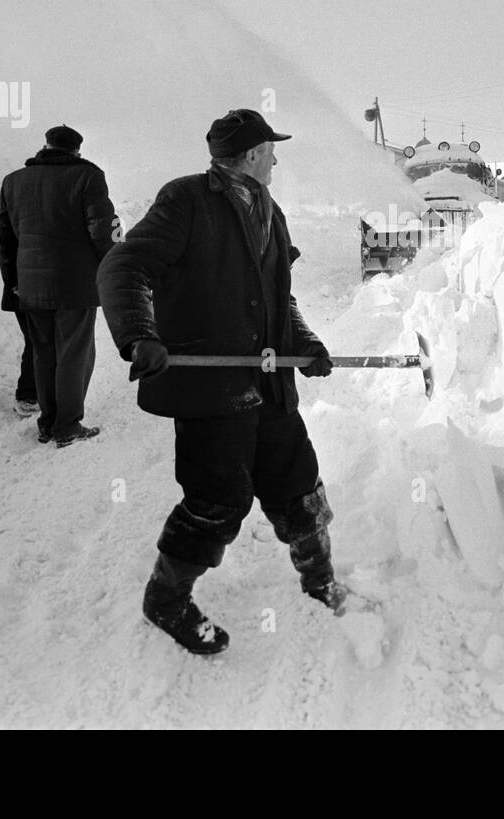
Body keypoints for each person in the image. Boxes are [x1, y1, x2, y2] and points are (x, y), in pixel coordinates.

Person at [96, 108, 341, 656]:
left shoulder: (272, 214)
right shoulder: (186, 201)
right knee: (217, 502)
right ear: (253, 154)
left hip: (271, 385)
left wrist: (305, 343)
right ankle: (166, 600)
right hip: (214, 393)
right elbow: (123, 266)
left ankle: (320, 581)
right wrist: (140, 335)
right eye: (271, 150)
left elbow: (281, 297)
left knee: (299, 484)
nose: (276, 158)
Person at [0, 124, 117, 447]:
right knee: (74, 353)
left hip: (31, 288)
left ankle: (47, 423)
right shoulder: (88, 177)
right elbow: (103, 231)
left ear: (46, 146)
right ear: (76, 151)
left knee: (44, 353)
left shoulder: (14, 181)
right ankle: (68, 426)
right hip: (75, 285)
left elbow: (2, 238)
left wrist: (14, 283)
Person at [0, 213, 38, 416]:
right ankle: (30, 396)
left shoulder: (19, 190)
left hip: (27, 284)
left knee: (39, 340)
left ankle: (35, 394)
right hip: (27, 286)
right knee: (40, 340)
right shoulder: (19, 192)